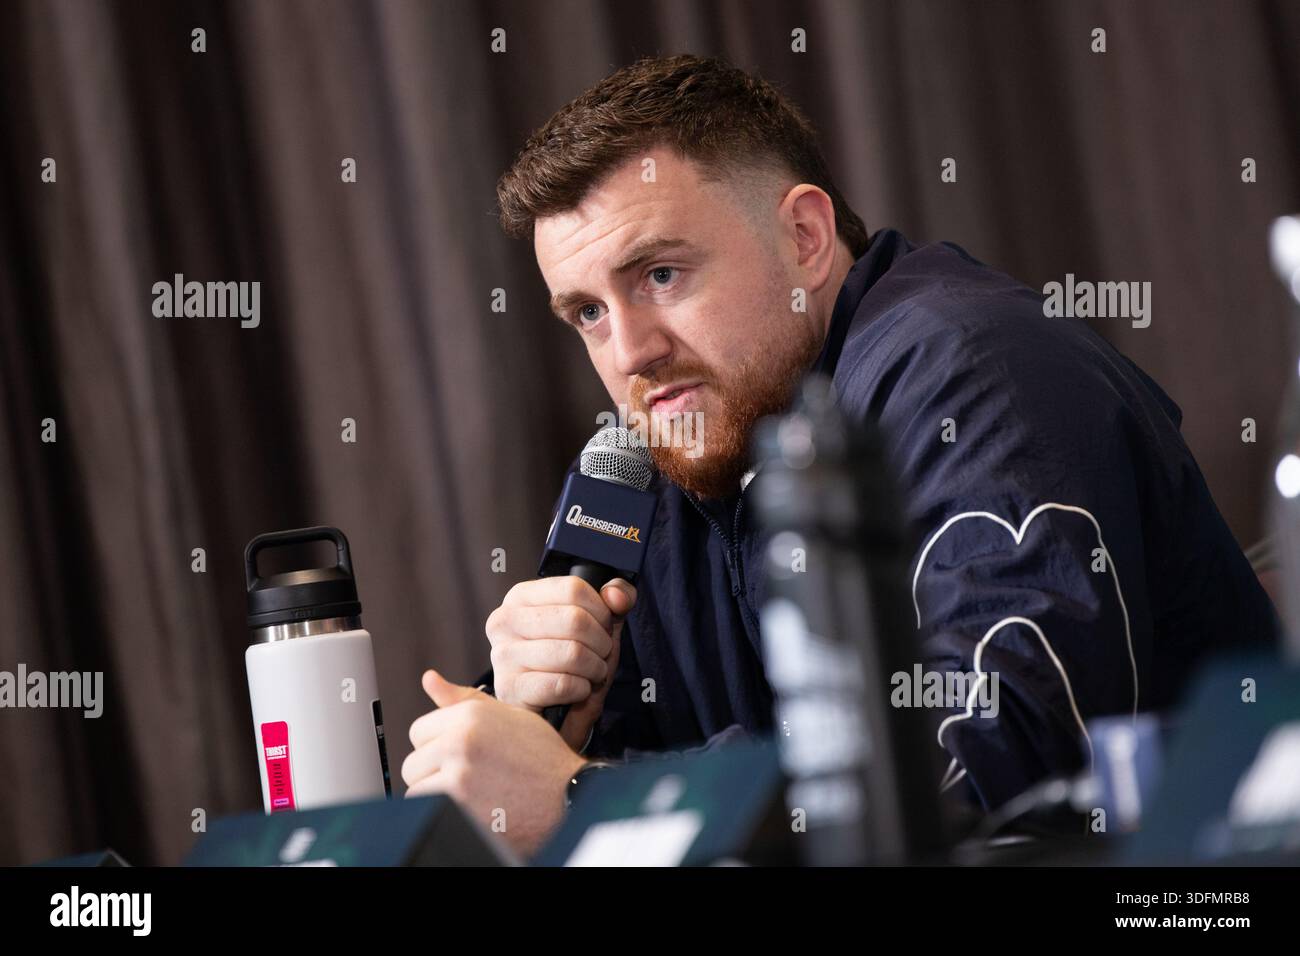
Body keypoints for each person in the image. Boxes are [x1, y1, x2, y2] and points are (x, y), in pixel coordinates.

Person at [401, 54, 1277, 858]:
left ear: (806, 240)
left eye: (660, 276)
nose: (629, 353)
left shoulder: (973, 371)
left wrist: (592, 797)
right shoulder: (650, 459)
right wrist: (552, 721)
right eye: (588, 312)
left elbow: (993, 763)